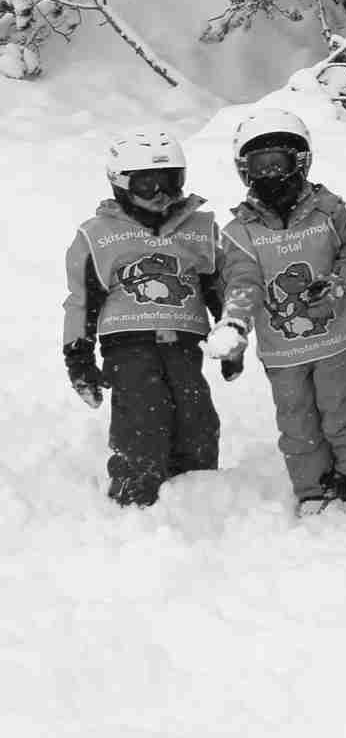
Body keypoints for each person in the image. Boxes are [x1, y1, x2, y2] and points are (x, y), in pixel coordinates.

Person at [211, 109, 346, 515]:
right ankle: (313, 490)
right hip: (282, 353)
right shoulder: (239, 233)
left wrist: (339, 281)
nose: (272, 173)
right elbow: (241, 282)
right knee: (297, 425)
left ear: (300, 162)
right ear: (245, 170)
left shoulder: (328, 210)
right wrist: (235, 322)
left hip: (333, 342)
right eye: (261, 165)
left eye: (280, 162)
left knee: (343, 414)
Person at [62, 131, 229, 507]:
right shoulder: (99, 235)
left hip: (185, 343)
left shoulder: (199, 229)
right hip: (128, 344)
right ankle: (136, 495)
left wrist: (229, 332)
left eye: (169, 183)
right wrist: (79, 356)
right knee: (143, 416)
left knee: (196, 416)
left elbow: (217, 287)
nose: (160, 195)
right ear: (121, 185)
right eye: (146, 184)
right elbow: (81, 301)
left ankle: (196, 494)